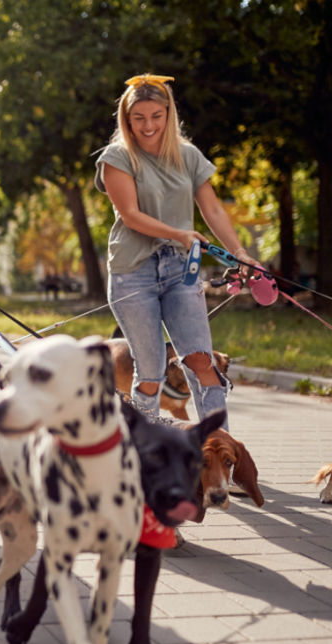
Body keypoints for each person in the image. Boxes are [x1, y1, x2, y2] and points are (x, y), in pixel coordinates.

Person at [95, 74, 258, 427]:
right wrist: (180, 234)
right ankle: (145, 455)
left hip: (180, 270)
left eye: (156, 116)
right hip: (132, 270)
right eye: (138, 118)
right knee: (151, 369)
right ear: (126, 119)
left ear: (169, 115)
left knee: (202, 362)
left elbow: (212, 210)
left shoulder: (188, 155)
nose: (148, 125)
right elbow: (131, 215)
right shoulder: (116, 157)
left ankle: (219, 456)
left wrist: (240, 252)